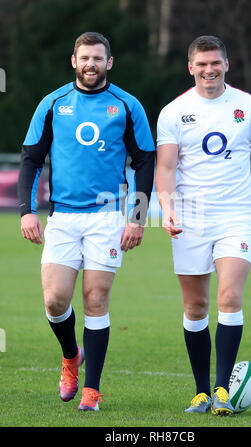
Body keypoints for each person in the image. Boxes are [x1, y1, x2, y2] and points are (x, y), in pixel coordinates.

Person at [18, 32, 155, 411]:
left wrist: (138, 218)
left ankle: (92, 390)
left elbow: (145, 161)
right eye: (85, 58)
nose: (91, 64)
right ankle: (70, 355)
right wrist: (27, 210)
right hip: (62, 217)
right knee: (54, 300)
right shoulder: (53, 103)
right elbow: (31, 158)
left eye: (98, 58)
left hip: (107, 217)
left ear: (109, 62)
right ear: (74, 61)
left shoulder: (127, 106)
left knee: (96, 299)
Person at [155, 35, 251, 416]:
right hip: (190, 217)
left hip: (235, 216)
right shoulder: (173, 112)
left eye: (215, 63)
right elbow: (164, 168)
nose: (209, 70)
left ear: (226, 65)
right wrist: (166, 207)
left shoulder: (248, 107)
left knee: (229, 296)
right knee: (195, 306)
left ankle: (222, 391)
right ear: (190, 68)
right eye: (201, 64)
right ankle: (200, 393)